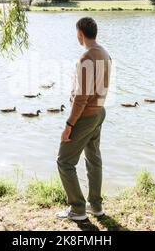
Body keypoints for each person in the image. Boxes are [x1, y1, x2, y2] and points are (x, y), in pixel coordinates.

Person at [56, 17, 112, 221]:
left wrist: (69, 125)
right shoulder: (105, 53)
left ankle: (78, 209)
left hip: (86, 115)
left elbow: (81, 97)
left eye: (76, 33)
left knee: (64, 161)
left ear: (80, 32)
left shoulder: (86, 58)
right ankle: (95, 206)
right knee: (93, 159)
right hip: (99, 112)